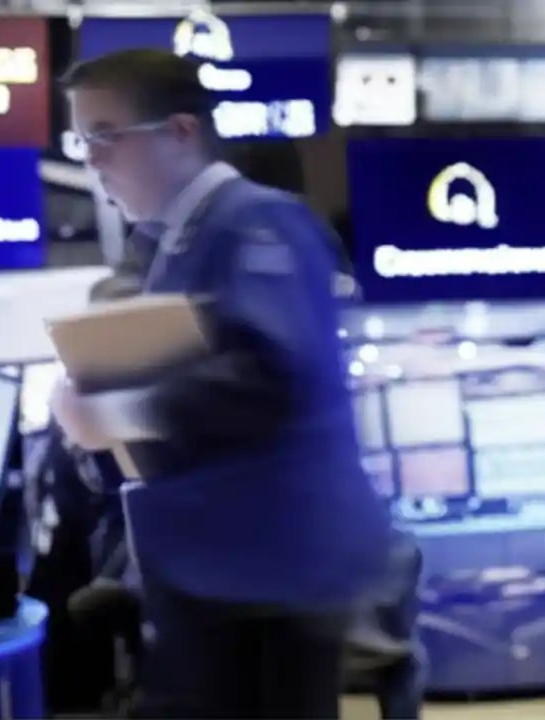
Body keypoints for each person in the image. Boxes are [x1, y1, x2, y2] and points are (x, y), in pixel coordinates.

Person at [50, 49, 390, 718]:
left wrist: (119, 414)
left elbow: (269, 379)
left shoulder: (259, 223)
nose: (91, 159)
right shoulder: (174, 246)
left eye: (104, 135)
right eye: (82, 138)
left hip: (271, 578)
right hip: (209, 574)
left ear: (180, 132)